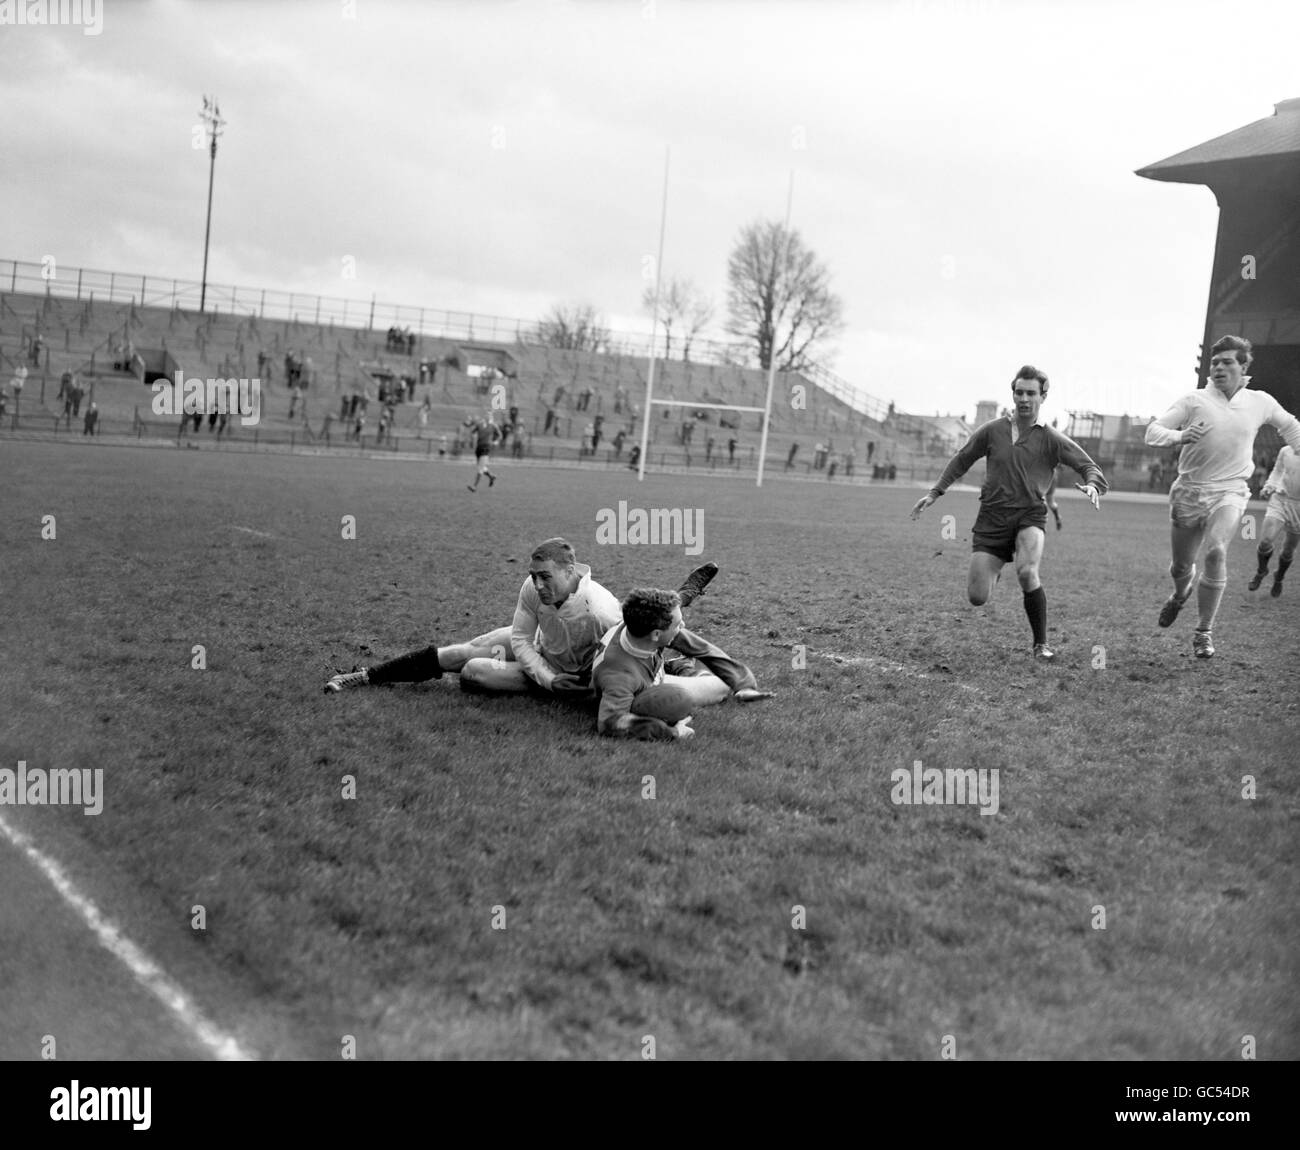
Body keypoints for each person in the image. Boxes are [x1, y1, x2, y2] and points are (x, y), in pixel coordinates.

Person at [324, 541, 718, 697]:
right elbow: (521, 640)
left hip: (580, 675)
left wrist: (569, 685)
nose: (536, 583)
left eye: (545, 576)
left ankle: (688, 663)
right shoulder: (532, 589)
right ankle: (367, 675)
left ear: (571, 572)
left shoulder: (601, 610)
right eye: (533, 574)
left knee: (475, 673)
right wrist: (545, 676)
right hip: (544, 658)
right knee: (463, 652)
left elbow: (630, 649)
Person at [910, 365, 1106, 662]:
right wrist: (935, 492)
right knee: (977, 597)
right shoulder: (992, 430)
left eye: (1030, 393)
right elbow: (962, 459)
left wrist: (1092, 485)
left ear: (1043, 396)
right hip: (991, 517)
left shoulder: (1052, 437)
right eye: (1019, 392)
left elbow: (1089, 466)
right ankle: (997, 565)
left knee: (1027, 572)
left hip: (1030, 514)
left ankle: (1040, 644)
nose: (1024, 399)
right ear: (1012, 394)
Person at [1145, 336, 1300, 657]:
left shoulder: (1260, 401)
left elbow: (1289, 425)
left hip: (1231, 491)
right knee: (1180, 566)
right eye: (1215, 362)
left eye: (1227, 361)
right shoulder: (1193, 400)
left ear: (1243, 367)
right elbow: (1153, 432)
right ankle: (1179, 594)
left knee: (1216, 551)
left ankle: (1203, 632)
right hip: (1189, 491)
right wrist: (1181, 435)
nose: (1218, 367)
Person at [592, 588, 772, 741]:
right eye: (678, 624)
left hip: (652, 673)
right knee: (721, 688)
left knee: (728, 681)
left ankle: (680, 666)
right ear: (656, 634)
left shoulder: (640, 628)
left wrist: (744, 684)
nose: (682, 625)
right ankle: (682, 668)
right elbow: (610, 722)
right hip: (645, 687)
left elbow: (704, 650)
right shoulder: (620, 676)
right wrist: (671, 732)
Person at [1248, 444, 1300, 598]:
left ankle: (1279, 577)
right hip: (1281, 499)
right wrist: (1270, 486)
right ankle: (1261, 571)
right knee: (1265, 541)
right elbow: (1277, 471)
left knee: (1288, 550)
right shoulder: (1286, 450)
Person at [465, 412, 500, 491]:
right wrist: (471, 438)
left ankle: (474, 486)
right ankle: (491, 477)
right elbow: (472, 432)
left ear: (491, 417)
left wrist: (495, 441)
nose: (488, 416)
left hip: (486, 448)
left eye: (490, 415)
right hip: (478, 448)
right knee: (482, 467)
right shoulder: (479, 424)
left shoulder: (493, 426)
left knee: (480, 469)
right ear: (485, 416)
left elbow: (500, 435)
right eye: (487, 415)